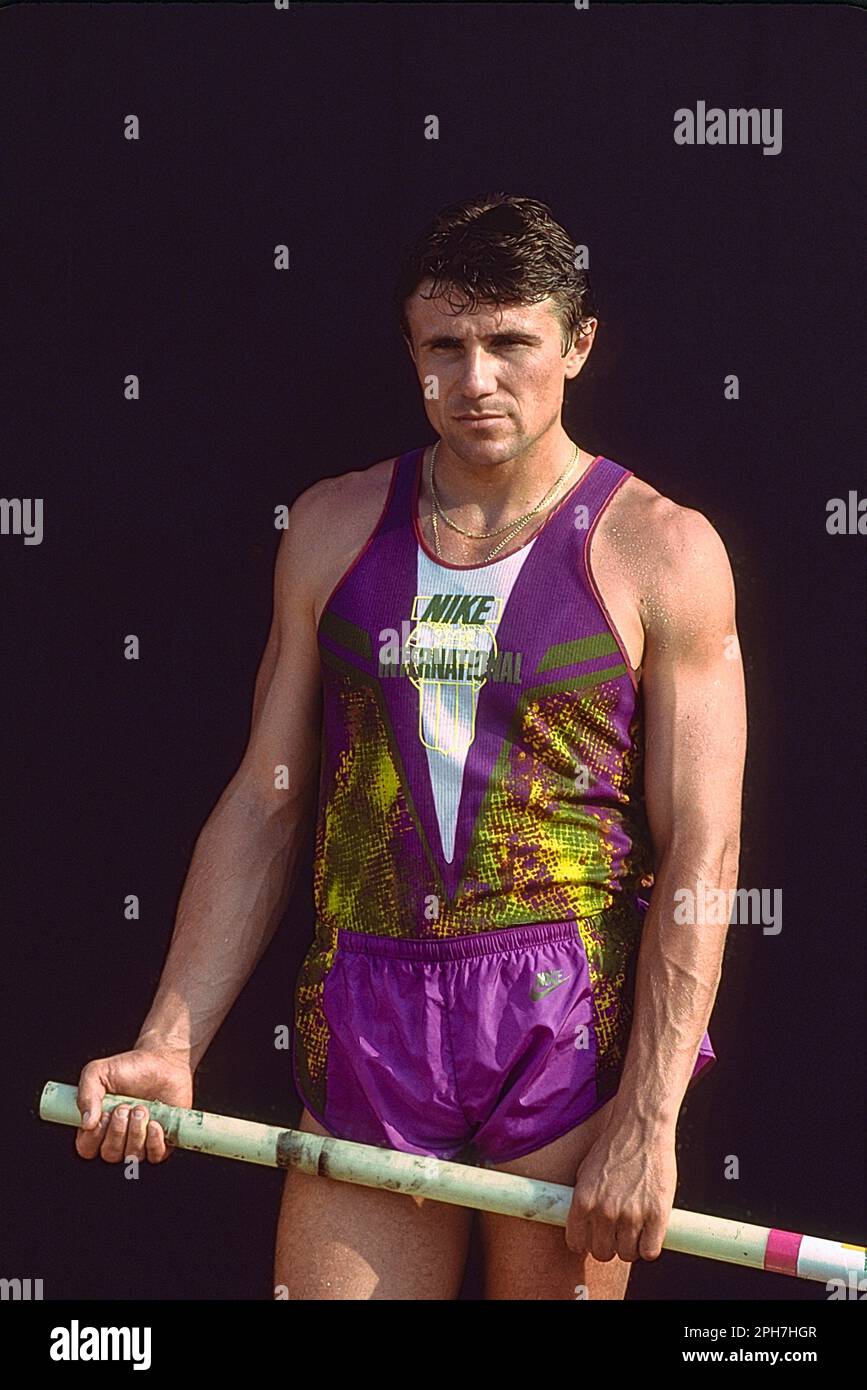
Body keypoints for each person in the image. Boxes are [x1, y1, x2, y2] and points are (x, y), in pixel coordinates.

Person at [74, 193, 746, 1301]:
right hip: (367, 1015)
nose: (476, 379)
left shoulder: (661, 551)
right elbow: (268, 800)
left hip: (561, 1026)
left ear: (576, 346)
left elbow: (704, 854)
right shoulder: (336, 527)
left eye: (511, 342)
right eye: (447, 345)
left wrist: (651, 1116)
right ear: (411, 350)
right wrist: (167, 1037)